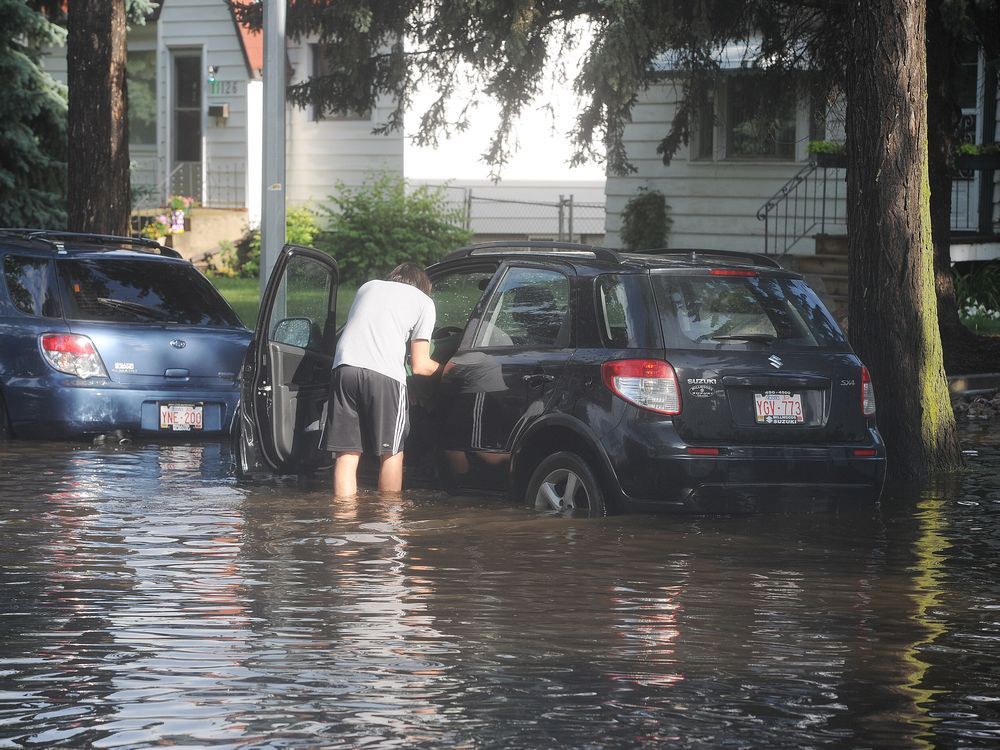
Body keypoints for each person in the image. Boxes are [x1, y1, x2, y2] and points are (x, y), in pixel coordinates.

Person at [324, 262, 440, 496]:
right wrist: (449, 370)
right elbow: (420, 365)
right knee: (392, 453)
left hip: (344, 368)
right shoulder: (424, 302)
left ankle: (343, 521)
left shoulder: (368, 287)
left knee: (347, 453)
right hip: (385, 375)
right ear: (424, 286)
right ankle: (388, 520)